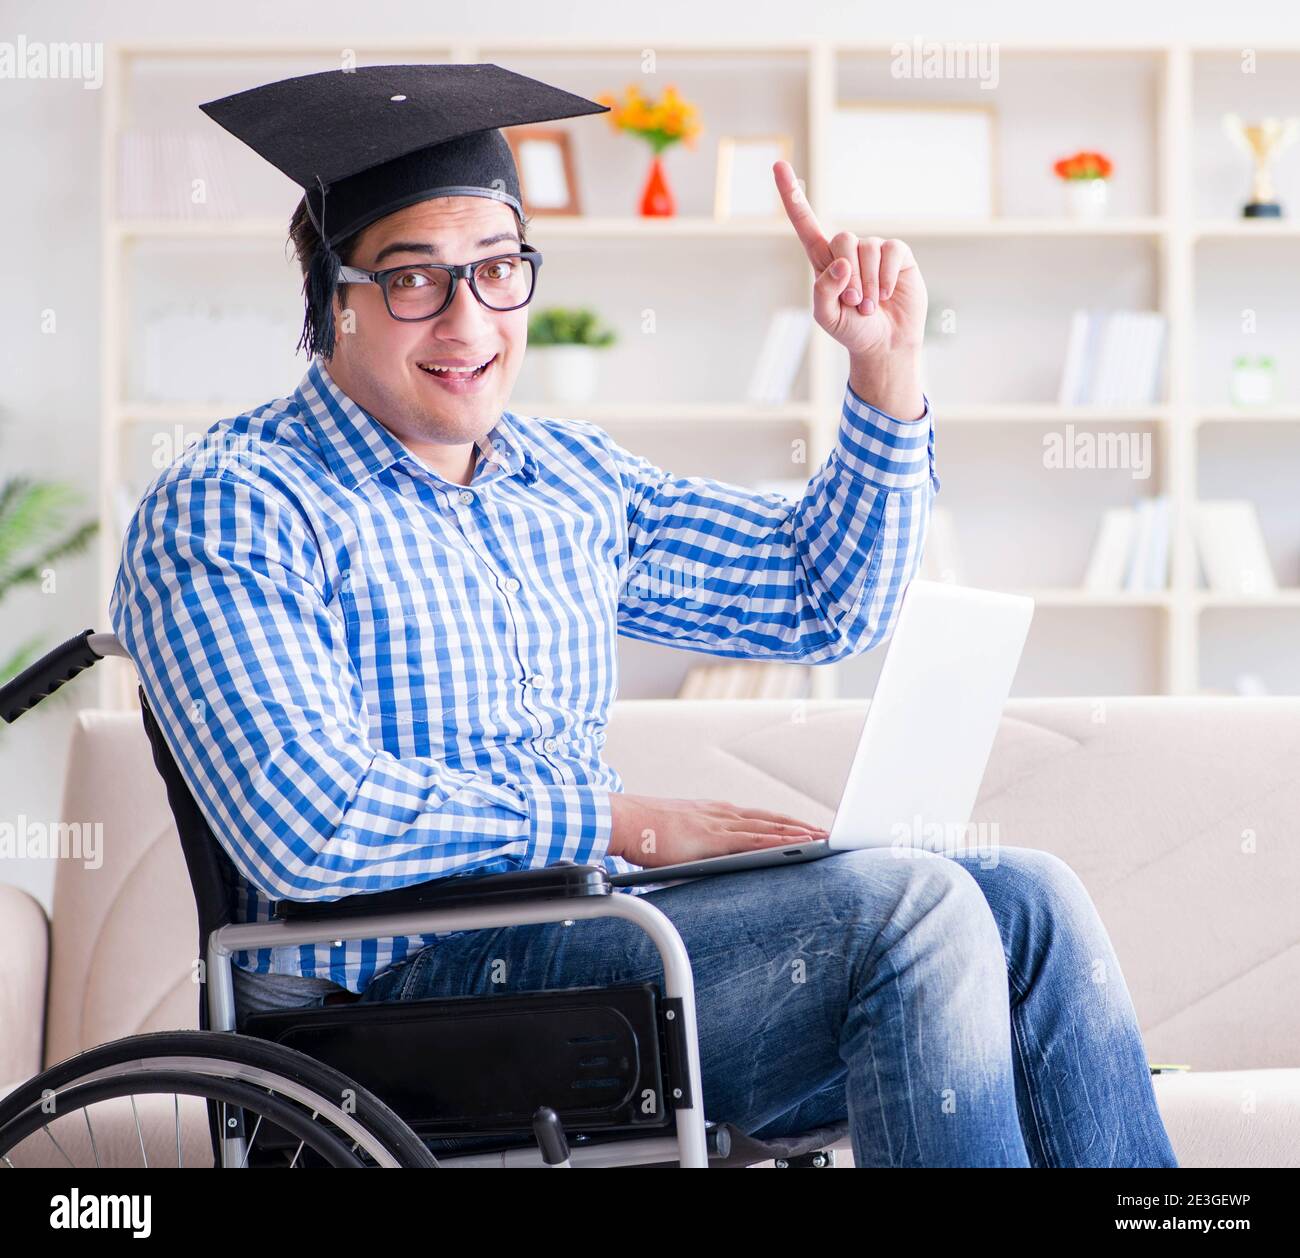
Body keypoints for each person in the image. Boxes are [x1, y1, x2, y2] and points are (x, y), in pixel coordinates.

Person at [111, 63, 1177, 1167]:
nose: (468, 319)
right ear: (330, 298)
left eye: (498, 272)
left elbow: (819, 597)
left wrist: (882, 372)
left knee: (1026, 902)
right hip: (400, 1007)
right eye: (414, 280)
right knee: (908, 914)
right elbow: (309, 816)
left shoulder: (565, 478)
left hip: (598, 953)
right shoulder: (233, 504)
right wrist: (617, 825)